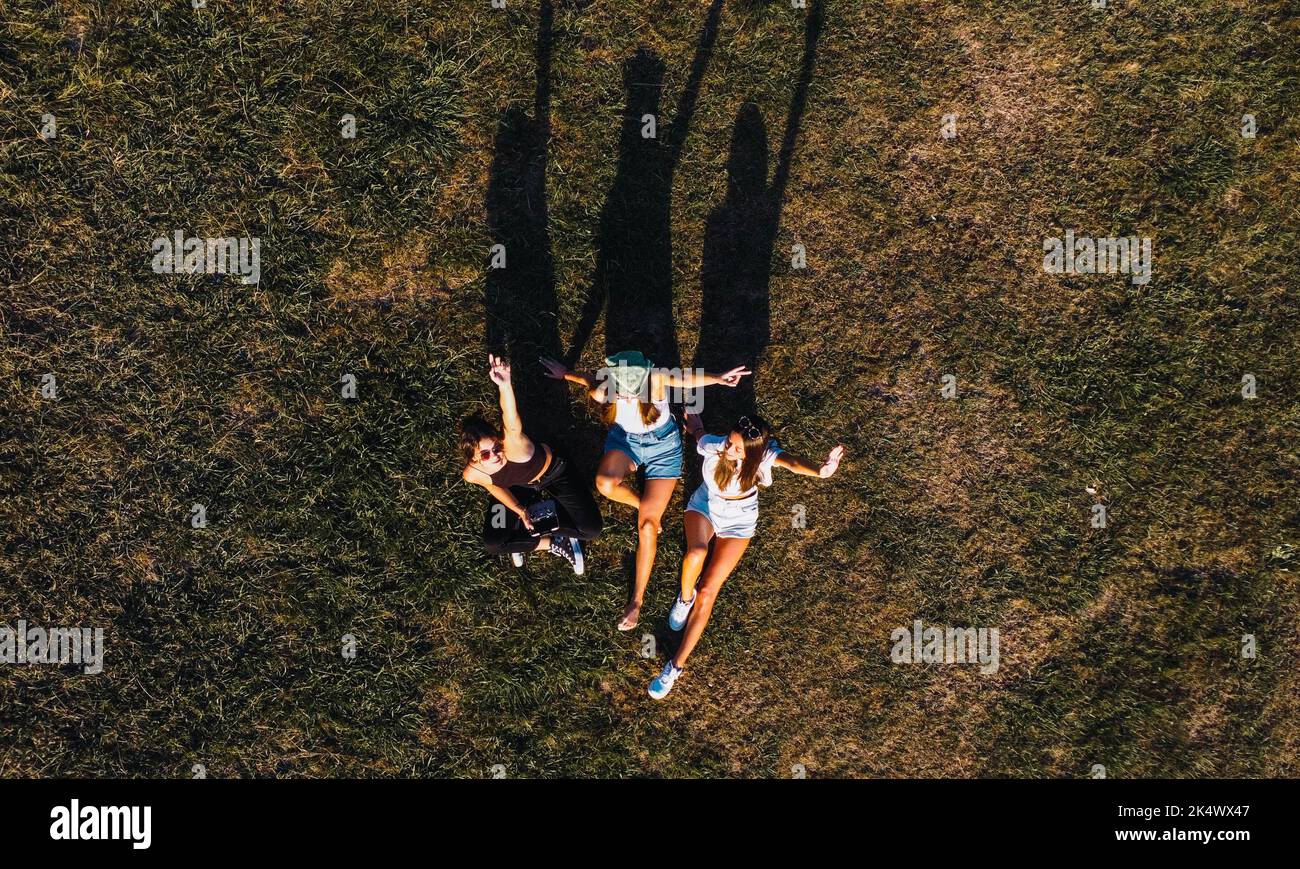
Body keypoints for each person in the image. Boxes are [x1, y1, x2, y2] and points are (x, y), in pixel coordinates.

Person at [539, 351, 749, 628]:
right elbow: (587, 379)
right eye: (622, 390)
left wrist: (718, 379)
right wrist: (564, 373)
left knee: (648, 527)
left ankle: (636, 601)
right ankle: (644, 504)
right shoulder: (603, 391)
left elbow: (686, 379)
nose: (627, 396)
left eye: (633, 389)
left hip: (664, 448)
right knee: (605, 483)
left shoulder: (656, 380)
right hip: (625, 442)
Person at [648, 412, 844, 699]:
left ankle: (675, 667)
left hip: (738, 524)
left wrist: (820, 471)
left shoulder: (763, 459)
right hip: (705, 506)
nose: (728, 449)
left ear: (753, 453)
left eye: (737, 448)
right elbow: (702, 438)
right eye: (729, 442)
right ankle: (684, 598)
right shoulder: (715, 446)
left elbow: (789, 462)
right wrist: (698, 428)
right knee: (696, 552)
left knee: (708, 592)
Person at [460, 354, 601, 573]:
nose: (496, 454)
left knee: (590, 530)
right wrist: (518, 510)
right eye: (486, 454)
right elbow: (494, 487)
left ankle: (535, 520)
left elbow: (510, 416)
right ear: (474, 459)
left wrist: (505, 386)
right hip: (519, 488)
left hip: (555, 474)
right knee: (494, 543)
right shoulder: (473, 474)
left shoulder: (512, 443)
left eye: (496, 446)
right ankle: (553, 542)